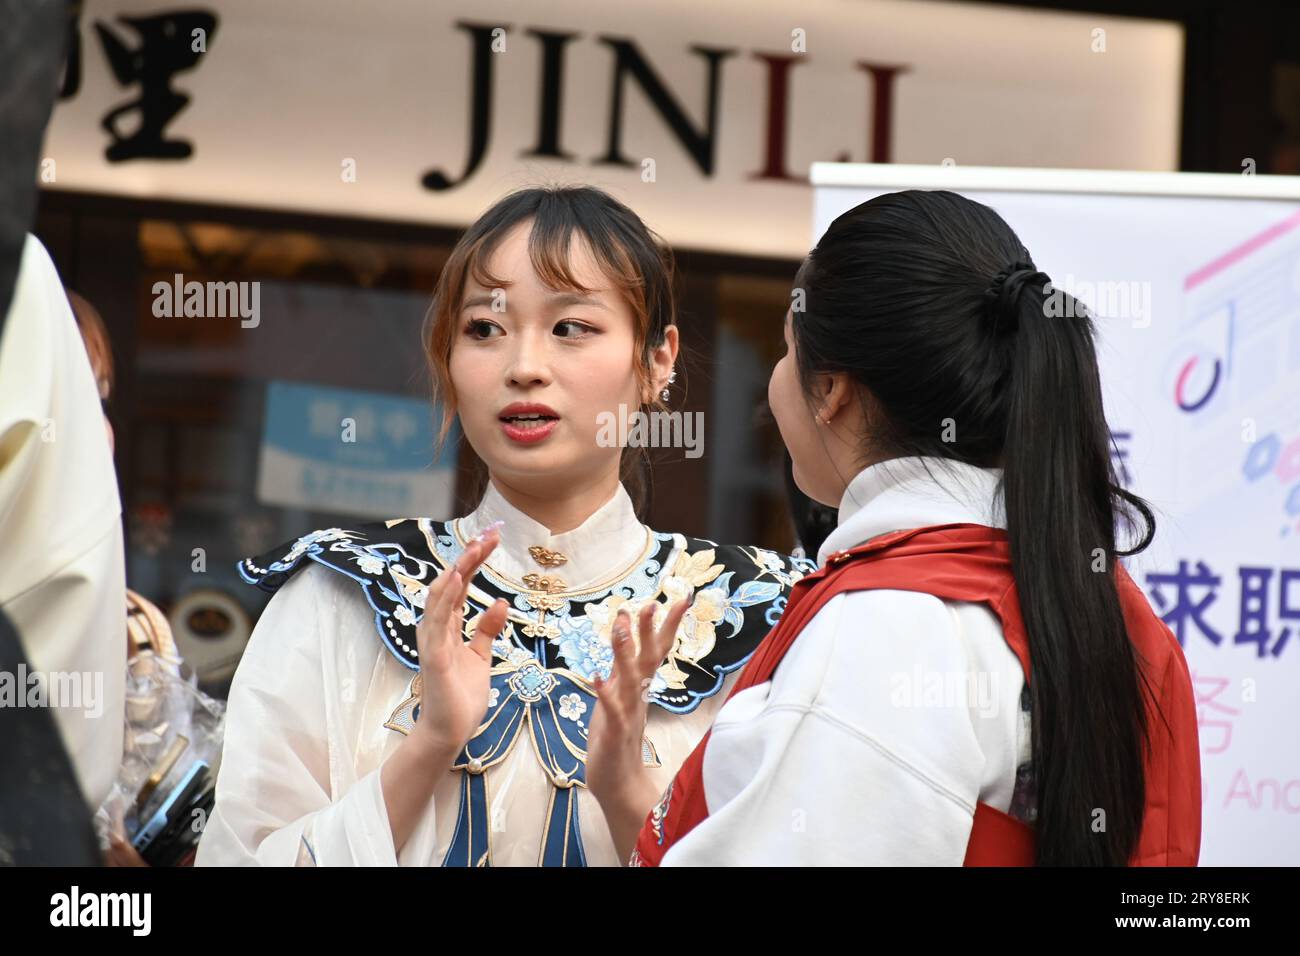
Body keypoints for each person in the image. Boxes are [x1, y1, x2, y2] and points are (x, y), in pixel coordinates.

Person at [196, 185, 814, 867]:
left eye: (571, 327)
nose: (524, 368)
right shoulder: (342, 593)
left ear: (656, 360)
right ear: (448, 359)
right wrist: (429, 747)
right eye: (484, 330)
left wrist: (629, 797)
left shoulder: (752, 612)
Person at [586, 189, 1202, 866]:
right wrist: (625, 790)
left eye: (788, 352)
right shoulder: (1090, 602)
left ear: (831, 392)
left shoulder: (889, 629)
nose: (776, 379)